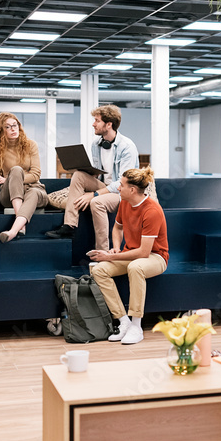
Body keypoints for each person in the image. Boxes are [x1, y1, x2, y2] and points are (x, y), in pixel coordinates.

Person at [88, 167, 168, 345]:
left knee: (135, 267)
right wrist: (116, 248)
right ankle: (124, 321)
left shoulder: (152, 211)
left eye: (121, 185)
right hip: (130, 254)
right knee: (99, 270)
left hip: (156, 257)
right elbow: (117, 227)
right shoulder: (125, 202)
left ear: (132, 190)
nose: (118, 188)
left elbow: (144, 252)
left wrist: (109, 257)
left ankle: (136, 326)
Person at [44, 104, 139, 251]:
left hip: (123, 193)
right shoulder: (96, 144)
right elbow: (99, 172)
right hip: (106, 186)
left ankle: (103, 251)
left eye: (97, 121)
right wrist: (85, 169)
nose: (93, 124)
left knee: (96, 202)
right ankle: (69, 226)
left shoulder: (127, 147)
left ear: (109, 124)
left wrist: (94, 194)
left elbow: (123, 183)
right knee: (78, 175)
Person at [0, 112, 48, 243]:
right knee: (16, 170)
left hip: (34, 189)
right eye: (7, 127)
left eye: (15, 125)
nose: (13, 129)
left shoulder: (30, 145)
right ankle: (20, 222)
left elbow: (35, 175)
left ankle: (13, 231)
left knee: (33, 191)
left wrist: (7, 179)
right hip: (9, 195)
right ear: (0, 130)